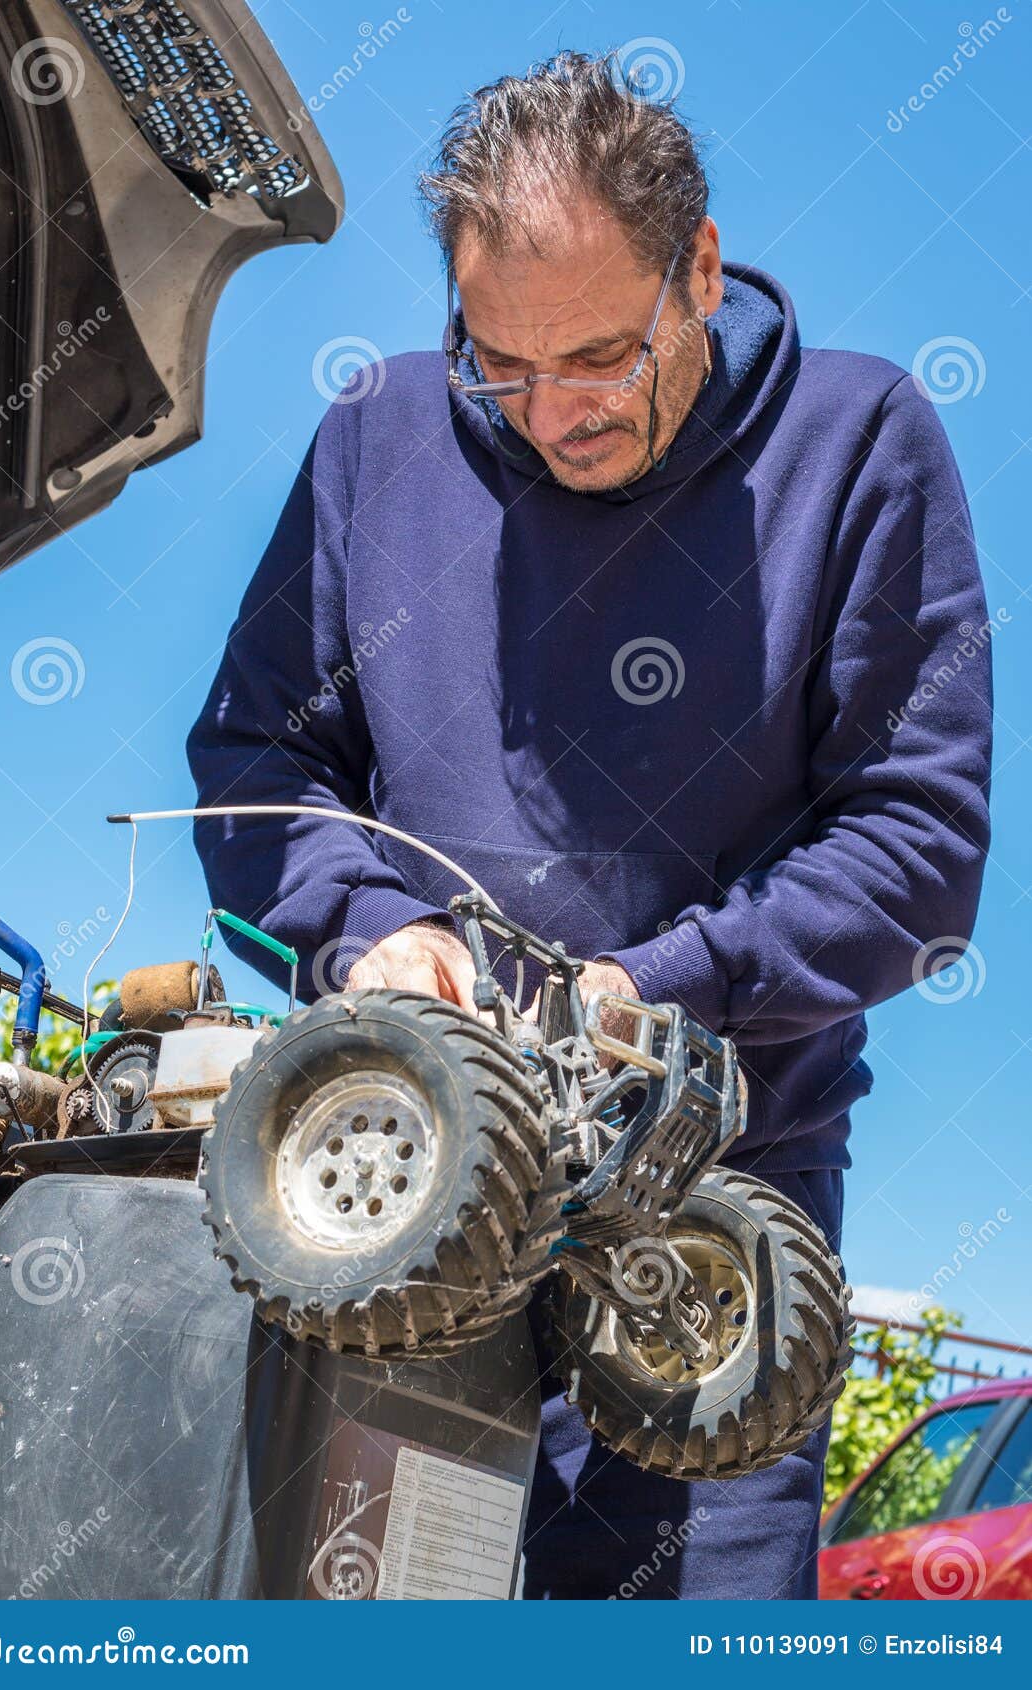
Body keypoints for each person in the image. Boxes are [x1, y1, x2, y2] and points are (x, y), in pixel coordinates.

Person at [188, 51, 992, 1599]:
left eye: (604, 356)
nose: (553, 414)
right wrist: (372, 932)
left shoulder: (860, 443)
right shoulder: (377, 437)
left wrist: (655, 988)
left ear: (699, 267)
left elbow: (916, 844)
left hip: (701, 1262)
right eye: (501, 363)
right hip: (403, 1228)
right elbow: (251, 760)